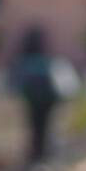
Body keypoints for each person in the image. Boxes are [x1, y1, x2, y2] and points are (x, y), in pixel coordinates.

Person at [12, 27, 79, 162]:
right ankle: (44, 156)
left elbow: (18, 82)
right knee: (46, 127)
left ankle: (36, 156)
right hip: (49, 100)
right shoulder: (48, 61)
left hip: (33, 100)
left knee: (35, 127)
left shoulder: (25, 61)